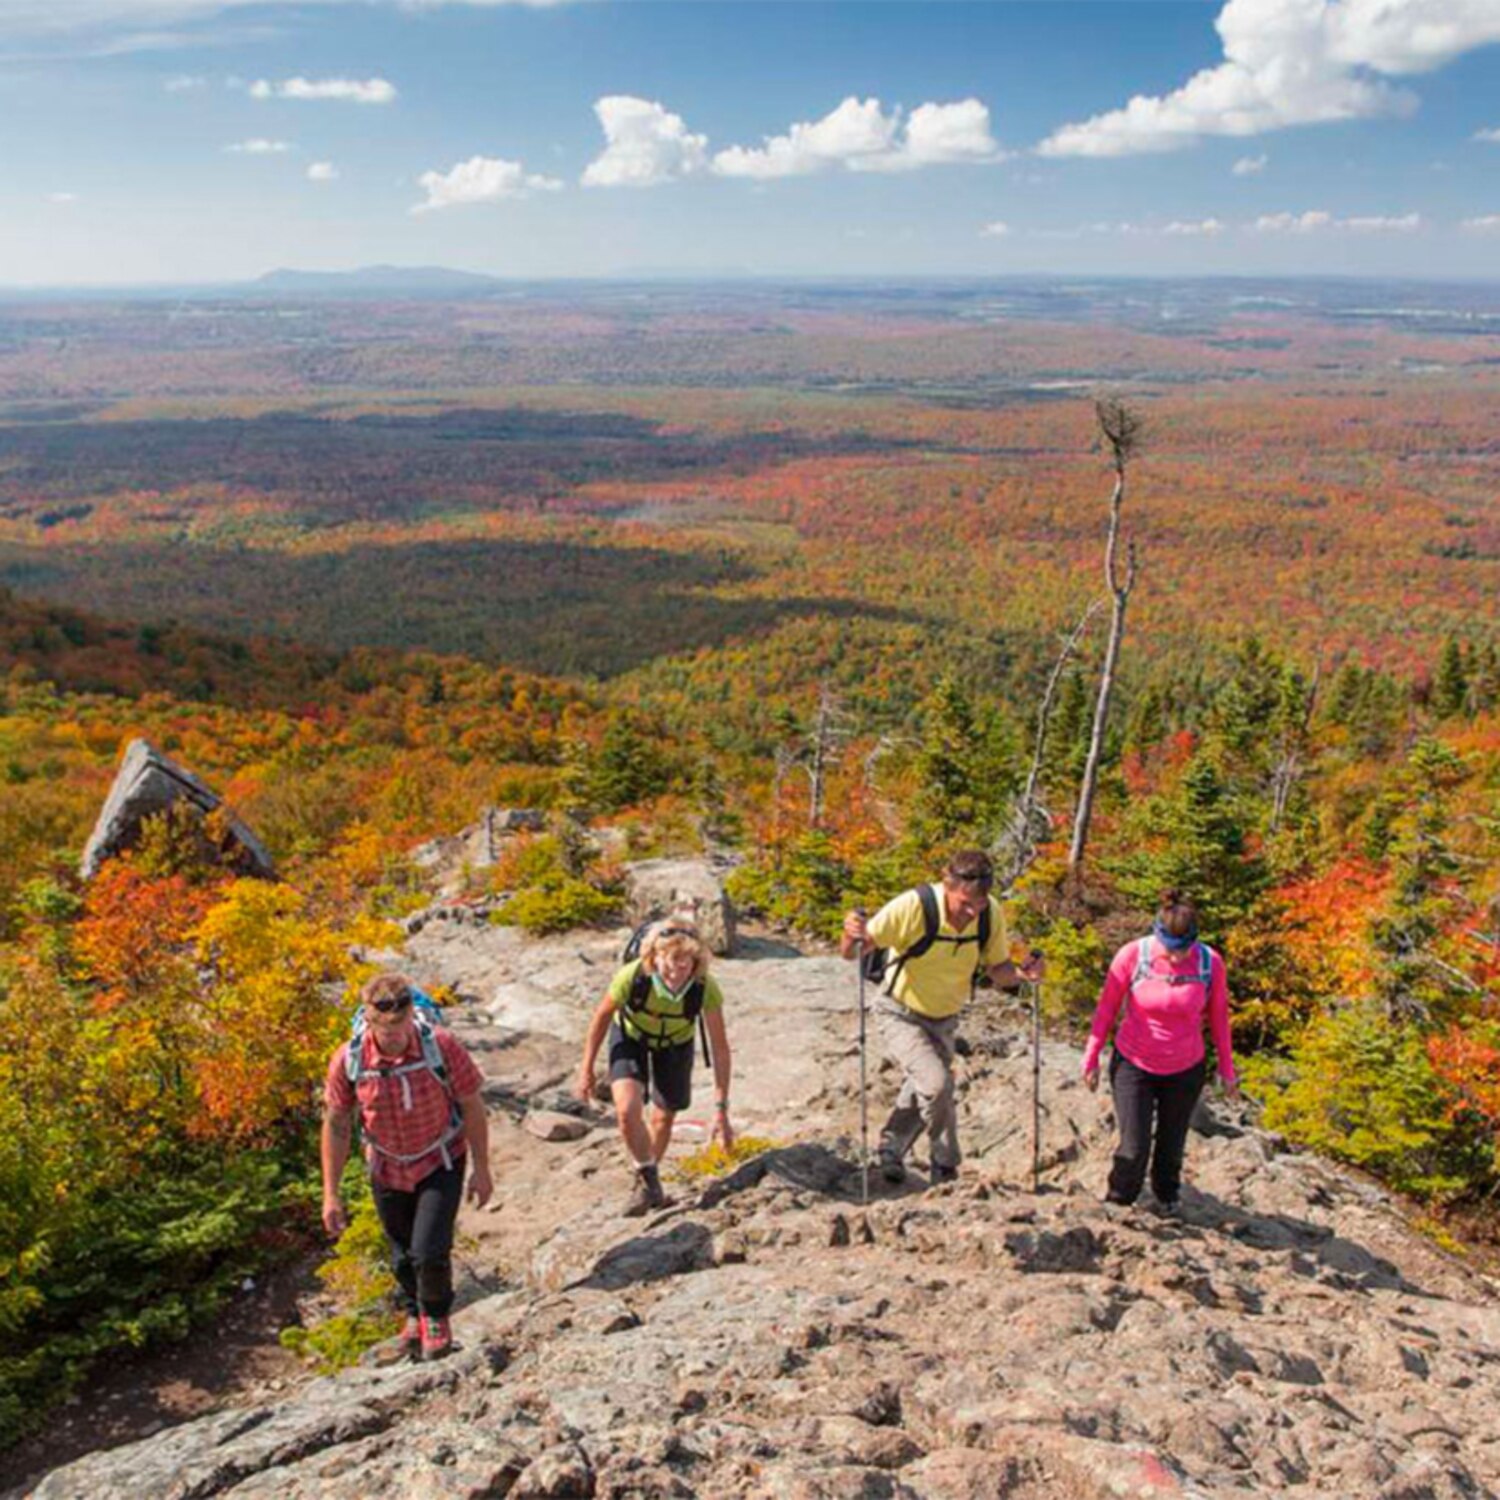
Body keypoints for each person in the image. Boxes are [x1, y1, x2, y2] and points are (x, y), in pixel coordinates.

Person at [841, 850, 1043, 1185]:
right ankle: (945, 1166)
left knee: (924, 1084)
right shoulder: (914, 906)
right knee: (937, 1085)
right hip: (899, 1011)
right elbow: (852, 951)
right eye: (965, 902)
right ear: (946, 884)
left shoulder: (989, 913)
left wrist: (1026, 979)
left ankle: (891, 1148)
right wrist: (850, 933)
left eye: (978, 903)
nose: (971, 911)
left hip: (946, 1016)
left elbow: (998, 971)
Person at [322, 973, 493, 1361]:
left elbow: (471, 1104)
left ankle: (436, 1316)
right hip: (387, 1164)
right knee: (400, 1252)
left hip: (440, 1157)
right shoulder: (349, 1060)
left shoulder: (441, 1046)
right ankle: (414, 1313)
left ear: (412, 1013)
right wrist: (330, 1194)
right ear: (369, 1020)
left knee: (429, 1250)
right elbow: (336, 1124)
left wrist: (482, 1168)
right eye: (386, 1029)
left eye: (401, 1026)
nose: (396, 1037)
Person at [1082, 889, 1239, 1217]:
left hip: (1185, 1066)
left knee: (1172, 1143)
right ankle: (1119, 1199)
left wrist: (1226, 1068)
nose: (1178, 957)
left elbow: (1220, 1017)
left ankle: (1167, 1196)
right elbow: (1107, 1008)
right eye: (1171, 949)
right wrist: (1092, 1055)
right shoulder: (1133, 956)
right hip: (1134, 1062)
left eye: (1185, 949)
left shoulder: (1210, 963)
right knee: (1134, 1145)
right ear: (1158, 935)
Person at [575, 917, 734, 1217]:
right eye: (670, 961)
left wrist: (721, 1110)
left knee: (662, 1119)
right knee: (626, 1110)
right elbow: (601, 1018)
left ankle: (648, 1184)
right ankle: (648, 1179)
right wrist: (586, 1069)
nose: (677, 971)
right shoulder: (631, 976)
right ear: (654, 957)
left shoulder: (704, 988)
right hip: (631, 1036)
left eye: (686, 963)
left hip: (675, 1043)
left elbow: (720, 1048)